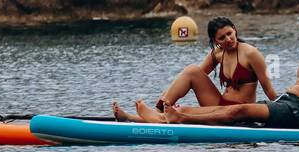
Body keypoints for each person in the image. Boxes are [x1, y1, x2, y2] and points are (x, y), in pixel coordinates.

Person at [128, 10, 299, 138]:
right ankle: (169, 114)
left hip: (297, 112)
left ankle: (173, 118)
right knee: (227, 107)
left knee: (239, 110)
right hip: (288, 104)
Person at [112, 17, 276, 122]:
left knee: (182, 112)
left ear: (235, 29)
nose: (228, 39)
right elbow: (191, 76)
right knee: (191, 70)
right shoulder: (218, 53)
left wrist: (286, 113)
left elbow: (268, 90)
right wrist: (164, 98)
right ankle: (157, 109)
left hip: (239, 112)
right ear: (215, 40)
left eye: (230, 33)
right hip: (219, 104)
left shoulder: (251, 53)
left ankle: (133, 118)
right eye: (222, 37)